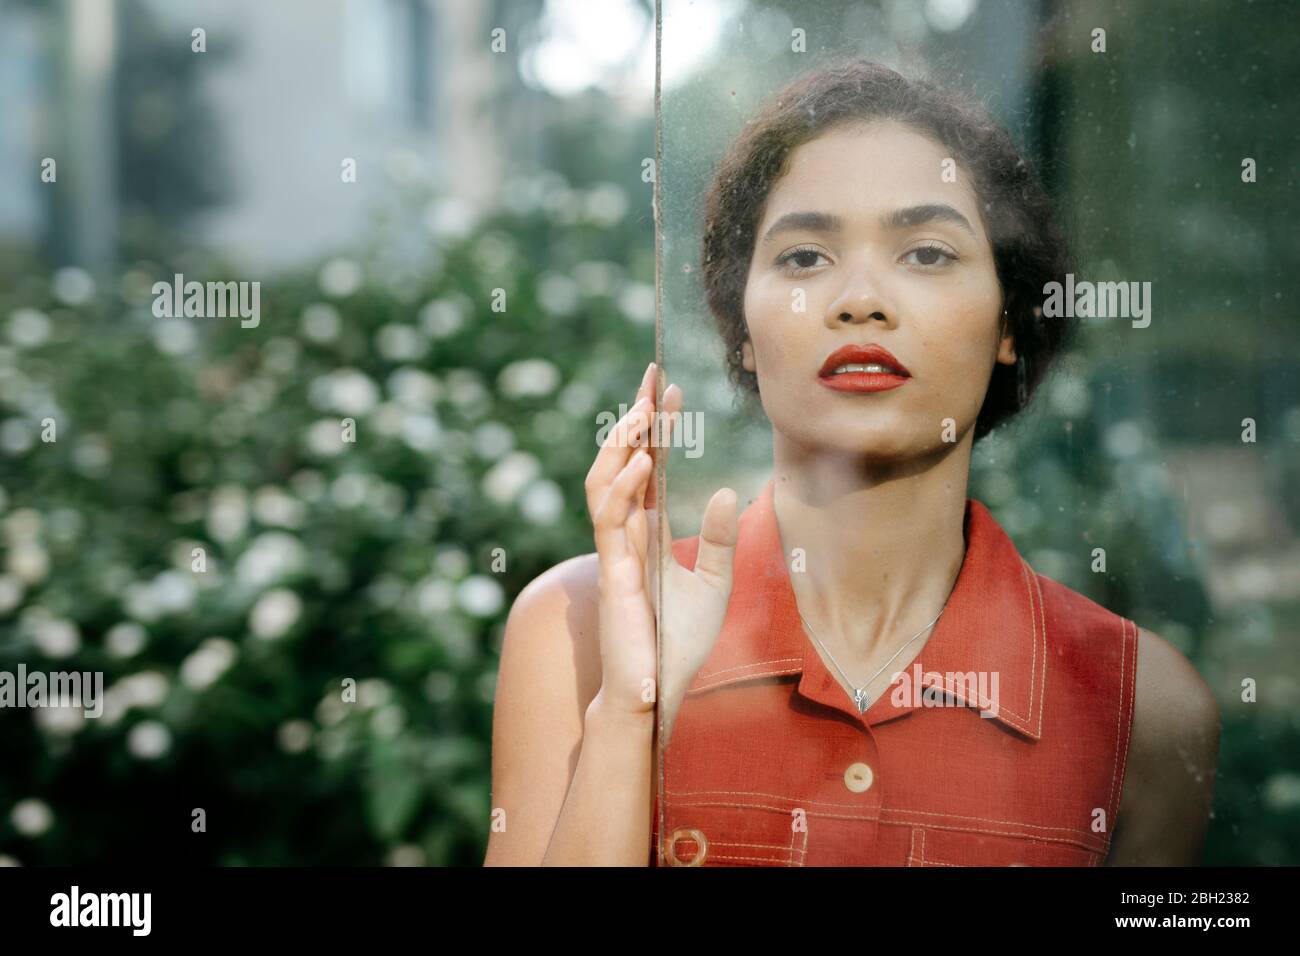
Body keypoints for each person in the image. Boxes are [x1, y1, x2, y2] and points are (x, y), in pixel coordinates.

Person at [483, 59, 1219, 867]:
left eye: (927, 253)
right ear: (741, 329)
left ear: (1009, 323)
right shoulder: (581, 627)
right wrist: (629, 712)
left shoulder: (1143, 706)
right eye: (804, 258)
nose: (860, 299)